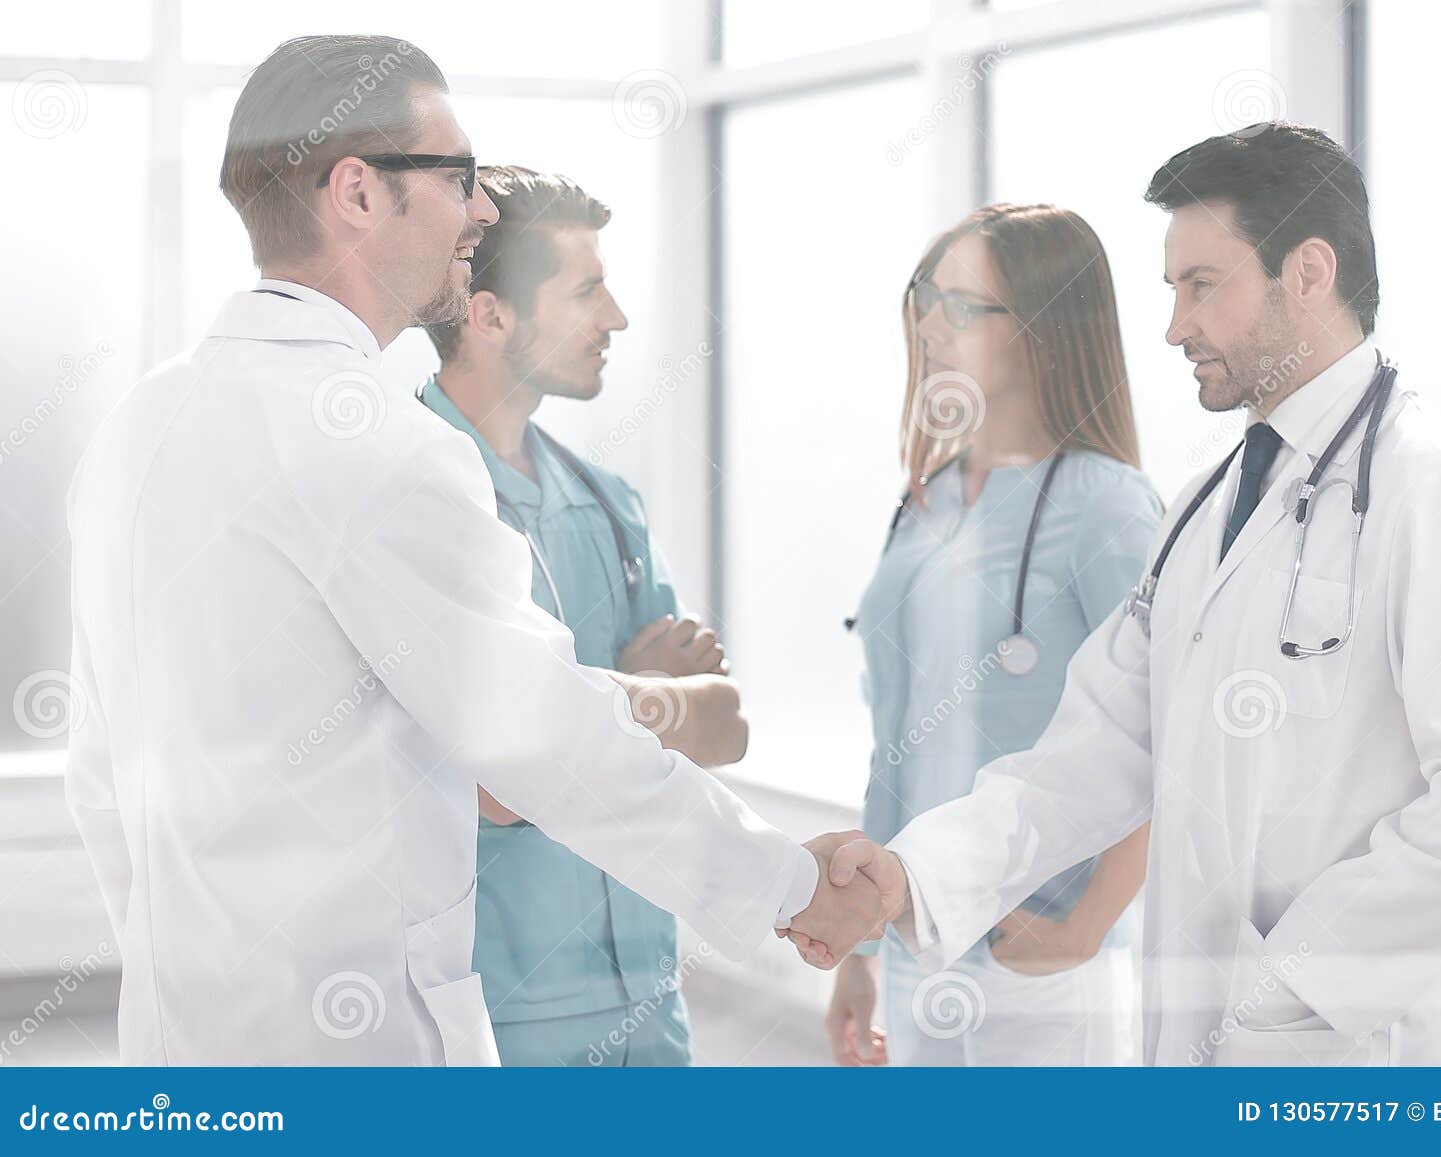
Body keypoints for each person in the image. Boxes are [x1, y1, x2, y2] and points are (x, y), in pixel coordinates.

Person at [63, 34, 879, 1066]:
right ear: (356, 192)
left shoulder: (137, 427)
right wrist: (792, 886)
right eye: (456, 177)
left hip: (181, 1044)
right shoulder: (377, 442)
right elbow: (540, 737)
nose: (482, 208)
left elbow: (100, 778)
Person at [789, 123, 1441, 1066]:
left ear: (1309, 273)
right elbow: (1090, 757)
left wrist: (1293, 989)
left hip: (1346, 1056)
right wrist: (910, 873)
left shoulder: (1433, 487)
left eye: (1203, 285)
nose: (1174, 327)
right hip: (1198, 1044)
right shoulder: (1205, 509)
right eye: (1172, 290)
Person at [418, 166, 743, 1066]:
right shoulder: (407, 496)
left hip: (647, 996)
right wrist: (652, 696)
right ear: (489, 314)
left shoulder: (611, 504)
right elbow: (486, 783)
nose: (618, 319)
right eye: (587, 290)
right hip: (494, 1014)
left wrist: (576, 717)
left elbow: (723, 725)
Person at [829, 205, 1160, 1067]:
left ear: (1045, 328)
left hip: (1036, 961)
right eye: (925, 299)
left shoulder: (1107, 505)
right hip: (914, 944)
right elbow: (893, 741)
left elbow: (1166, 739)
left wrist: (1086, 927)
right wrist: (861, 949)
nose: (931, 326)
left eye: (965, 307)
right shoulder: (925, 501)